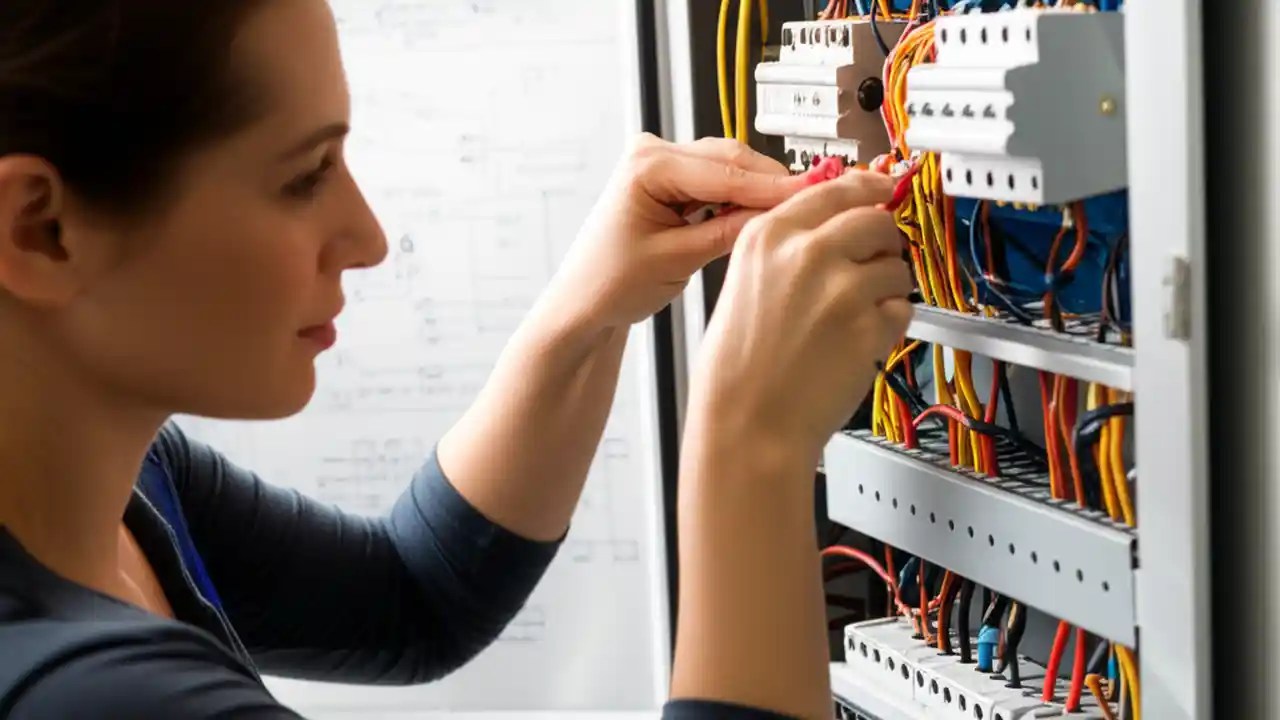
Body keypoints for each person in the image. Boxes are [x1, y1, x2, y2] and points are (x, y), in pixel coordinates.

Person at [0, 1, 912, 719]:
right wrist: (749, 443)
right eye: (302, 177)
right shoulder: (86, 693)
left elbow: (412, 598)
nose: (367, 239)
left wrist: (590, 308)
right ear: (38, 228)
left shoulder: (121, 484)